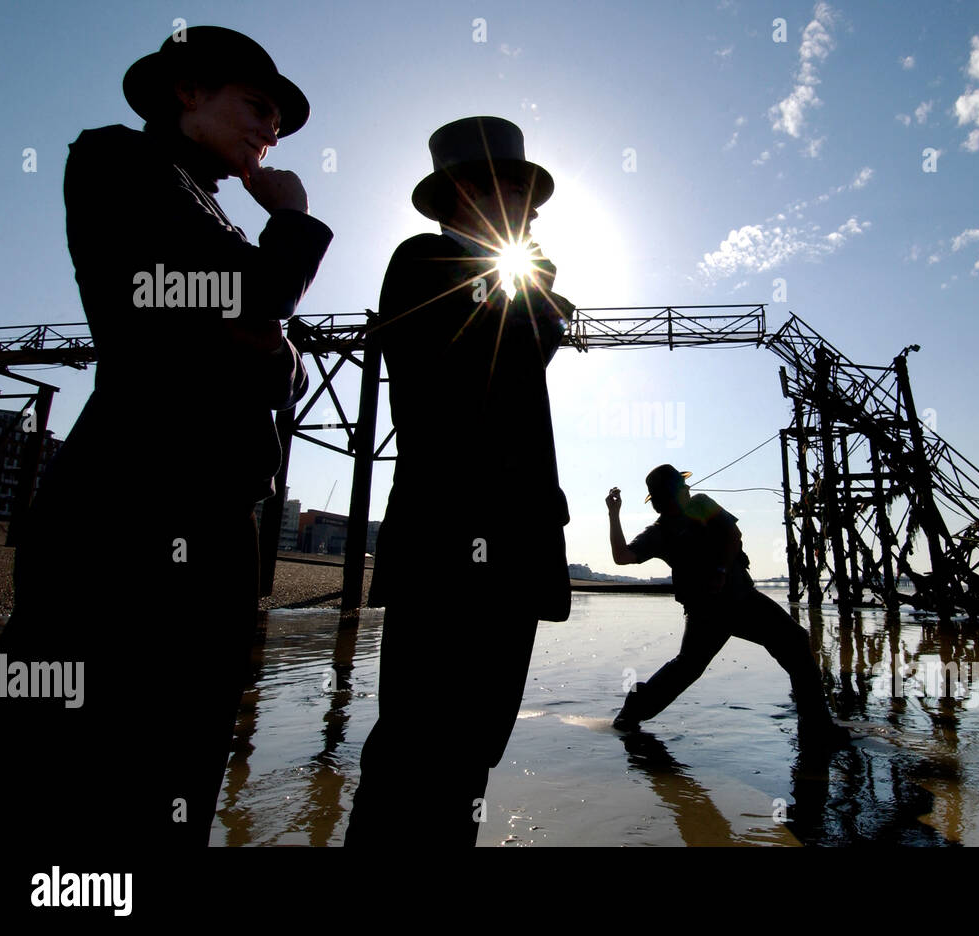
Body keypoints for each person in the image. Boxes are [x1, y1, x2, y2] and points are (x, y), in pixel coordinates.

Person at [0, 26, 331, 848]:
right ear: (188, 91)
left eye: (277, 125)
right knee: (55, 742)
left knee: (183, 750)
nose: (268, 133)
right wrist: (289, 218)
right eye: (257, 106)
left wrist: (251, 334)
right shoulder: (117, 161)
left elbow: (274, 366)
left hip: (214, 514)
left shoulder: (206, 208)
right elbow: (253, 294)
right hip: (127, 505)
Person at [346, 116, 574, 847]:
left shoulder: (498, 282)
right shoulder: (422, 261)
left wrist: (531, 287)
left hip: (508, 555)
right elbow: (487, 365)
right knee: (419, 756)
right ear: (466, 192)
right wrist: (533, 286)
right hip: (451, 552)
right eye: (516, 190)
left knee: (467, 760)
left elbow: (511, 373)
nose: (532, 211)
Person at [606, 465, 852, 746]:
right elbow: (622, 556)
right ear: (672, 494)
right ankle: (816, 730)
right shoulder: (660, 533)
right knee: (694, 666)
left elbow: (734, 536)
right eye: (682, 486)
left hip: (732, 601)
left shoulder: (701, 505)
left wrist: (721, 571)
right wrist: (614, 515)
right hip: (717, 609)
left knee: (694, 665)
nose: (688, 489)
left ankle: (815, 728)